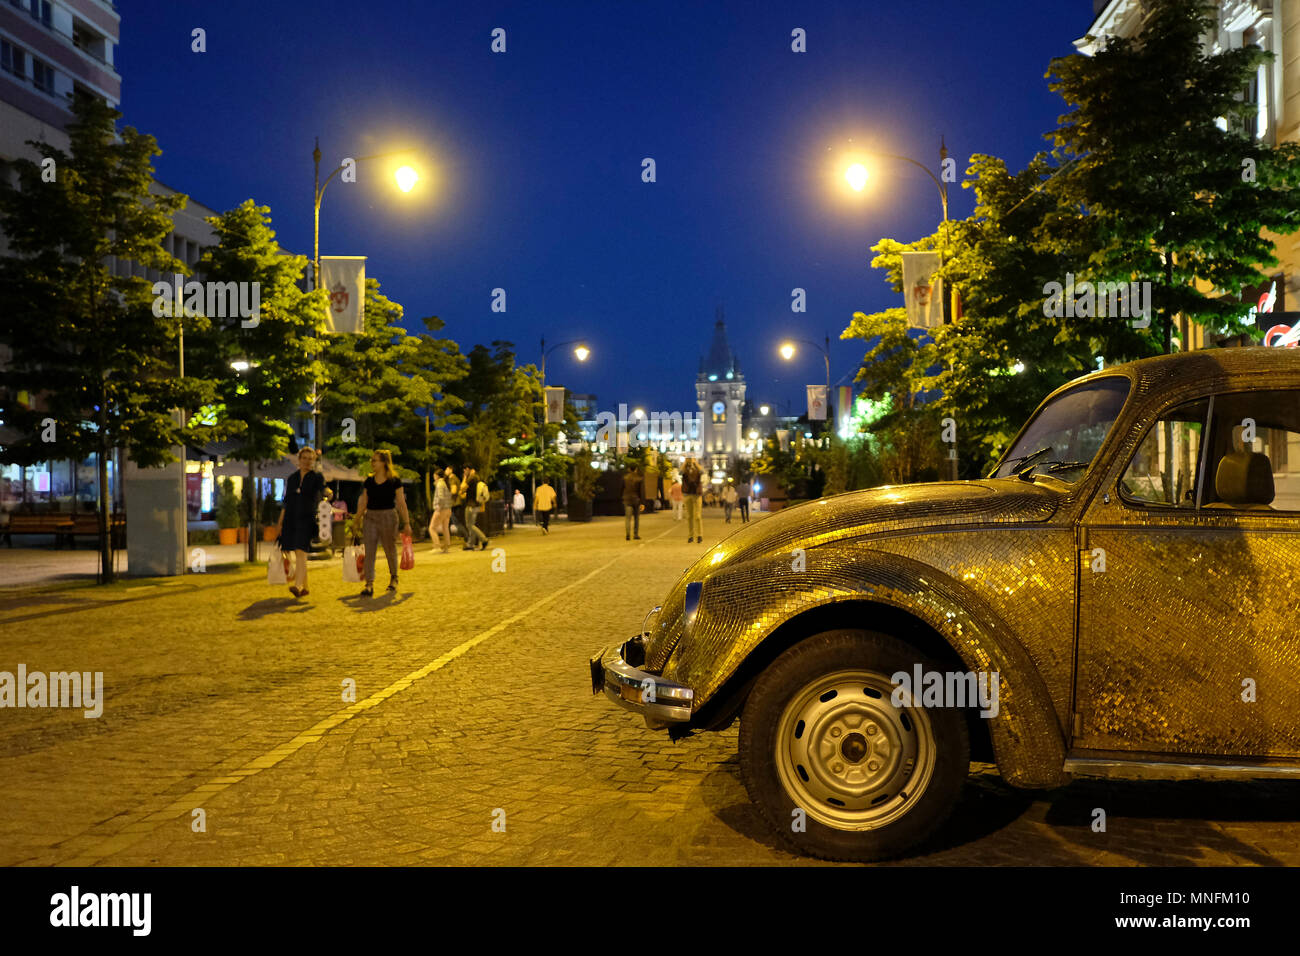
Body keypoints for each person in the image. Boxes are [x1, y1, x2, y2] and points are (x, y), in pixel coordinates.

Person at [355, 449, 410, 597]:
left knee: (389, 549)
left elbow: (401, 503)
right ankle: (369, 583)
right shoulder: (369, 481)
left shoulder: (394, 480)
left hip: (388, 516)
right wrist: (357, 519)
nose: (372, 463)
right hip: (370, 517)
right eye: (372, 460)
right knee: (370, 551)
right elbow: (364, 502)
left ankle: (394, 577)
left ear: (384, 462)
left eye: (375, 460)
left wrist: (407, 523)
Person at [276, 447, 325, 598]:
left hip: (307, 519)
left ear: (314, 460)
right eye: (304, 458)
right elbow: (286, 501)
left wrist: (328, 494)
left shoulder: (317, 477)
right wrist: (280, 522)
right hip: (290, 519)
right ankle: (306, 587)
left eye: (310, 458)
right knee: (296, 552)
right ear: (299, 460)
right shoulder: (292, 478)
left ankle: (297, 586)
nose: (307, 461)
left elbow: (323, 490)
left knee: (300, 551)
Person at [462, 467, 490, 551]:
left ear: (468, 469)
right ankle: (470, 544)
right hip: (477, 505)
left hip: (471, 505)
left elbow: (462, 488)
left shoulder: (471, 478)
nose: (464, 471)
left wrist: (464, 477)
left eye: (465, 470)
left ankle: (484, 540)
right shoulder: (477, 478)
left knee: (470, 525)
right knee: (472, 524)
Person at [429, 466, 453, 553]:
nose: (433, 477)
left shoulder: (440, 484)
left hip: (441, 509)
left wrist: (438, 508)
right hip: (448, 509)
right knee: (445, 528)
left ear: (437, 476)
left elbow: (440, 497)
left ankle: (437, 546)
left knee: (432, 528)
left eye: (434, 475)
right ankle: (447, 546)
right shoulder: (446, 483)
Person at [681, 456, 703, 543]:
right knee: (689, 516)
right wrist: (685, 463)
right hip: (687, 494)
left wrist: (695, 463)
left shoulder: (698, 468)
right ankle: (690, 535)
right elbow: (680, 472)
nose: (690, 459)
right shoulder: (685, 469)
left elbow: (702, 472)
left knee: (697, 516)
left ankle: (699, 535)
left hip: (697, 494)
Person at [622, 465, 642, 541]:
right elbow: (641, 491)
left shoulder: (625, 478)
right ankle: (635, 534)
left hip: (627, 500)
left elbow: (621, 488)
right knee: (636, 518)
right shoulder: (639, 478)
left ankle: (628, 534)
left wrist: (622, 497)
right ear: (636, 469)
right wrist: (642, 501)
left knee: (628, 518)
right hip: (636, 499)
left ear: (629, 469)